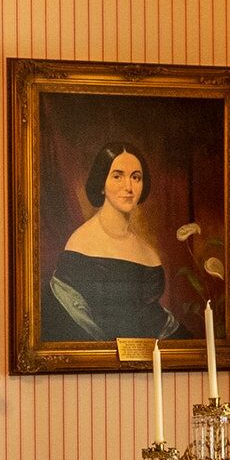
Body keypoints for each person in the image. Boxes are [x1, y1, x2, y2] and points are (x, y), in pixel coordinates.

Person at [46, 141, 174, 341]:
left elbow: (155, 321)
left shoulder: (148, 252)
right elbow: (70, 319)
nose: (128, 187)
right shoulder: (80, 243)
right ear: (102, 183)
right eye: (117, 176)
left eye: (136, 177)